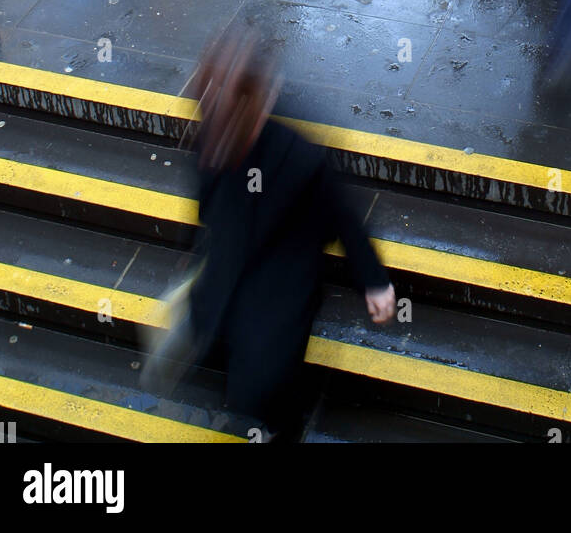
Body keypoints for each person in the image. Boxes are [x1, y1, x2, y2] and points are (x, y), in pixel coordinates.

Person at [142, 23, 396, 440]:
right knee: (245, 367)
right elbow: (208, 209)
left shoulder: (287, 153)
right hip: (238, 276)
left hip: (281, 284)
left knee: (267, 382)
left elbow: (341, 215)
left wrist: (374, 281)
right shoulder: (220, 138)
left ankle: (278, 423)